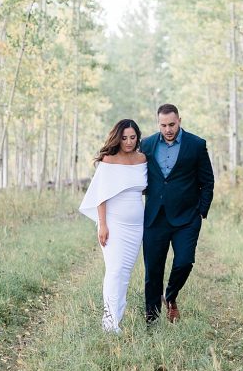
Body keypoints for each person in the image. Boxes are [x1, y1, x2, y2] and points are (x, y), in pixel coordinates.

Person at [139, 104, 214, 324]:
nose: (168, 129)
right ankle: (151, 321)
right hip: (155, 217)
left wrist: (201, 210)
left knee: (184, 261)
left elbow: (207, 181)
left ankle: (170, 296)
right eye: (163, 125)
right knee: (153, 271)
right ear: (158, 124)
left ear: (179, 120)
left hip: (187, 218)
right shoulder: (147, 145)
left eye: (171, 124)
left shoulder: (196, 144)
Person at [78, 119, 148, 332]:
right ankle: (109, 322)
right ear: (118, 138)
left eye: (133, 137)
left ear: (138, 137)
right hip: (114, 224)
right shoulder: (109, 160)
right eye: (125, 137)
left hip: (137, 225)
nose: (128, 142)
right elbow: (101, 195)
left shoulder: (142, 159)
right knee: (114, 271)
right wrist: (103, 225)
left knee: (125, 274)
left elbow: (144, 188)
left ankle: (117, 318)